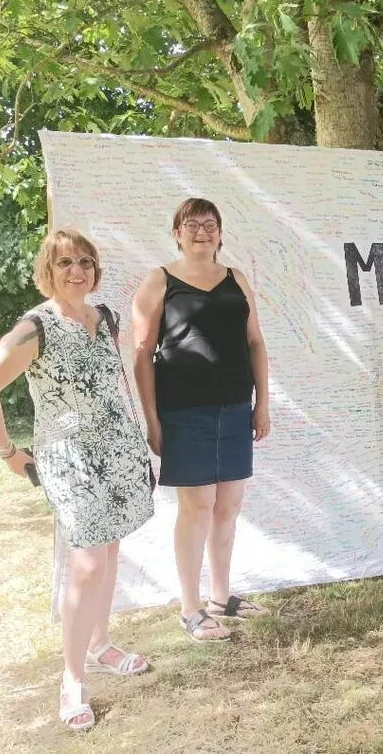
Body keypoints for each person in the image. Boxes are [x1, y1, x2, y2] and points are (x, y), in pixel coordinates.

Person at [0, 229, 154, 732]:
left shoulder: (105, 318)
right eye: (66, 262)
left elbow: (113, 387)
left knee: (110, 551)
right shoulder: (35, 328)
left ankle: (100, 644)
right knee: (88, 564)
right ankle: (71, 680)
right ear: (47, 271)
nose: (78, 271)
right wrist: (8, 452)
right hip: (69, 459)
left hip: (118, 450)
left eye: (85, 262)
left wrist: (140, 440)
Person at [132, 198, 271, 642]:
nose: (201, 231)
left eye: (210, 224)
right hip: (182, 412)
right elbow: (140, 355)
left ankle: (221, 597)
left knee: (228, 507)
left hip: (234, 408)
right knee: (197, 508)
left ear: (220, 233)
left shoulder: (236, 279)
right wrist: (152, 419)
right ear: (177, 232)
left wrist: (262, 402)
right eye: (192, 224)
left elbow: (255, 343)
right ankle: (189, 608)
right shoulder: (160, 280)